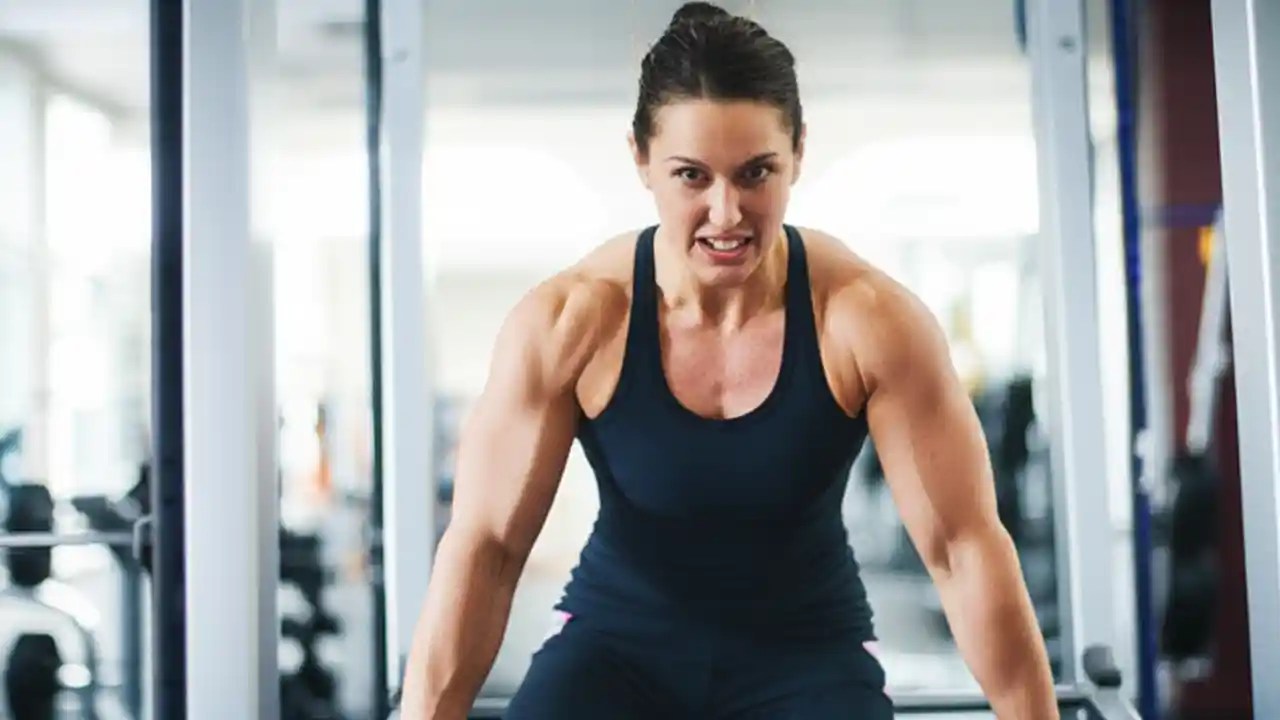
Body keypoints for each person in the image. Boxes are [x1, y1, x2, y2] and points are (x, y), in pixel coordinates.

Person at [399, 3, 1056, 718]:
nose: (726, 214)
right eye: (691, 176)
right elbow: (487, 548)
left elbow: (963, 550)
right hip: (616, 653)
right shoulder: (571, 322)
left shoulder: (867, 321)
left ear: (798, 152)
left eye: (755, 173)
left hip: (806, 657)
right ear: (641, 159)